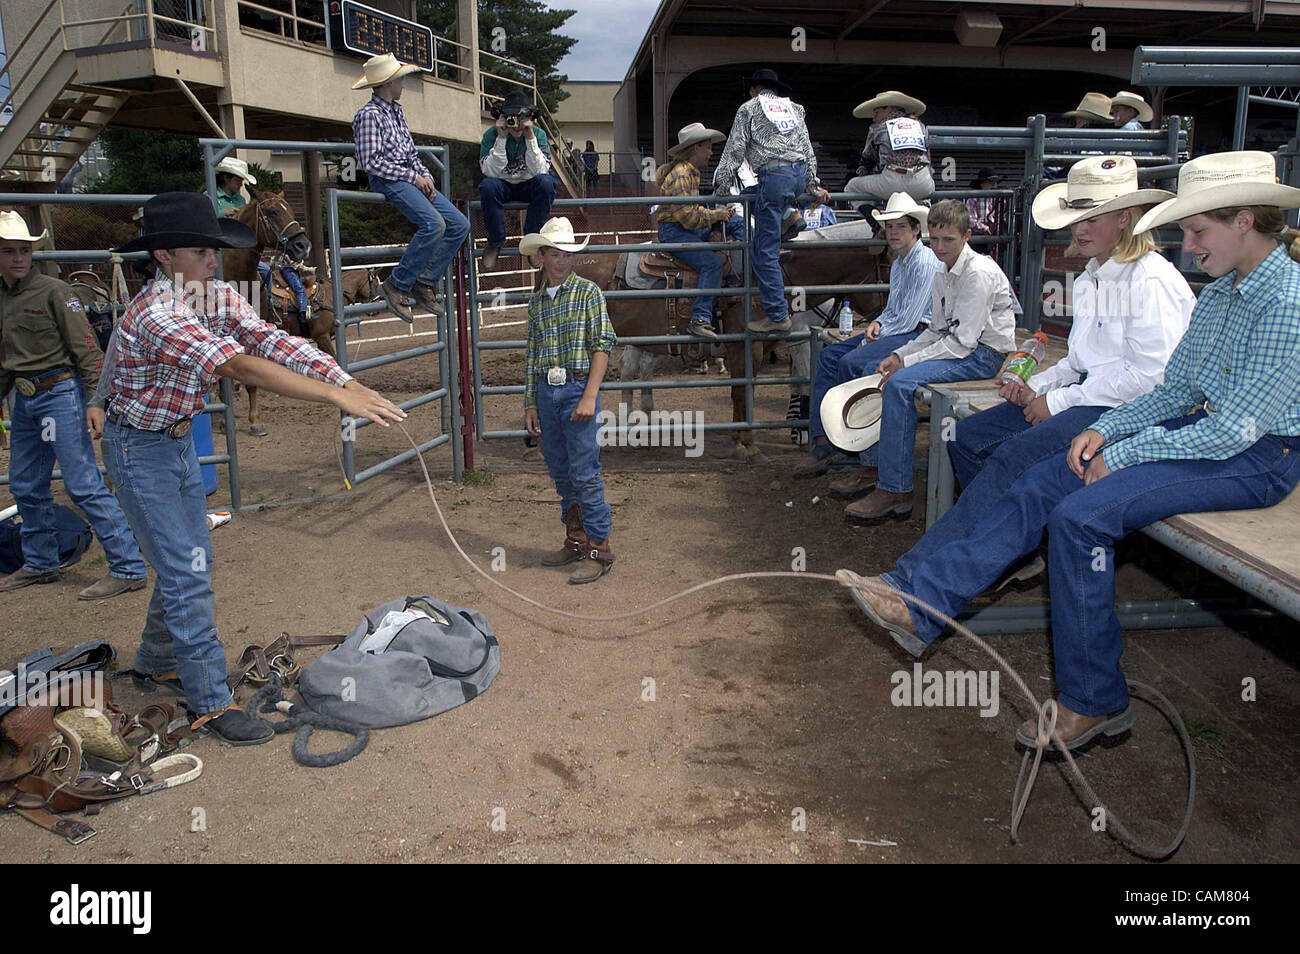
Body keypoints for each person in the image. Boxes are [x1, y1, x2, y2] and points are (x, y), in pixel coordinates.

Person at [851, 151, 1300, 750]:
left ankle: (1093, 699)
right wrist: (1110, 431)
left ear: (1244, 220)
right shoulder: (1222, 295)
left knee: (1076, 515)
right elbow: (1178, 389)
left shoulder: (1285, 302)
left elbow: (1237, 429)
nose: (1187, 243)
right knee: (1042, 485)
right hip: (1205, 432)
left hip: (1259, 455)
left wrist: (1129, 445)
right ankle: (923, 601)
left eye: (1196, 230)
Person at [103, 192, 405, 744]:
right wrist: (334, 397)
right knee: (186, 571)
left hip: (168, 445)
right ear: (166, 256)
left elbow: (267, 339)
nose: (214, 262)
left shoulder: (207, 294)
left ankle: (153, 659)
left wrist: (343, 379)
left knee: (187, 558)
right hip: (140, 450)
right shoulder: (158, 313)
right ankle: (210, 704)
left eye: (214, 251)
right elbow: (242, 365)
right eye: (201, 252)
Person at [883, 155, 1193, 590]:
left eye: (1094, 217)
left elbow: (1151, 379)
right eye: (1076, 218)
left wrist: (1058, 400)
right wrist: (1037, 384)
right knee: (969, 437)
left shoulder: (1149, 281)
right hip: (1094, 397)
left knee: (1013, 458)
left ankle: (917, 579)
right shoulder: (1092, 277)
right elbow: (1081, 362)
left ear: (1125, 218)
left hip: (1131, 412)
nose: (1080, 229)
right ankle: (1015, 547)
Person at [837, 199, 1017, 521]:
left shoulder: (976, 273)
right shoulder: (943, 272)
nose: (939, 246)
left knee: (900, 385)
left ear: (967, 236)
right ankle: (883, 474)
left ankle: (895, 487)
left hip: (983, 354)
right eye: (934, 239)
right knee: (893, 376)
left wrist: (907, 363)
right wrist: (898, 354)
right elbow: (936, 330)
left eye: (949, 239)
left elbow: (962, 343)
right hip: (963, 346)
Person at [0, 211, 148, 599]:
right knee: (26, 484)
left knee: (82, 482)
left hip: (59, 392)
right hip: (27, 396)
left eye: (23, 250)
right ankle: (41, 561)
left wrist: (95, 400)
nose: (18, 258)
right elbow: (6, 356)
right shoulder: (5, 298)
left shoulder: (54, 291)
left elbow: (86, 348)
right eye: (9, 251)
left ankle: (128, 566)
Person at [794, 193, 940, 478]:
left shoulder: (923, 263)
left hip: (917, 333)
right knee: (828, 357)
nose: (893, 233)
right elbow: (895, 309)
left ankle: (860, 450)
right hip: (900, 329)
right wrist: (878, 323)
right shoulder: (900, 263)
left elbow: (910, 319)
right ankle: (825, 439)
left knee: (853, 362)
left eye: (900, 227)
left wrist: (873, 334)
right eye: (890, 227)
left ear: (915, 230)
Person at [521, 217, 619, 585]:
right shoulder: (537, 303)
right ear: (542, 256)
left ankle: (599, 546)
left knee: (584, 471)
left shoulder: (588, 294)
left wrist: (591, 394)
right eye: (555, 254)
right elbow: (532, 355)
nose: (562, 261)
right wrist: (531, 403)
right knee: (562, 472)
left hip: (577, 389)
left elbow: (602, 344)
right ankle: (576, 539)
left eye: (568, 254)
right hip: (548, 392)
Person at [352, 52, 468, 323]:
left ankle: (424, 280)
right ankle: (397, 283)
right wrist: (413, 177)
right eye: (400, 80)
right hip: (391, 179)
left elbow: (411, 154)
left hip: (409, 178)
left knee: (459, 225)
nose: (403, 84)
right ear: (388, 84)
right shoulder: (368, 116)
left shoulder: (396, 112)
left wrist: (424, 175)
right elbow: (370, 162)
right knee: (434, 224)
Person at [713, 68, 830, 334]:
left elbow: (735, 149)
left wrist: (721, 186)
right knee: (762, 197)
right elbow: (808, 149)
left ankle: (777, 314)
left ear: (755, 89)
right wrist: (813, 185)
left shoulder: (749, 108)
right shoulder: (795, 109)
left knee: (762, 251)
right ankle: (788, 212)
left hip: (774, 175)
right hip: (797, 175)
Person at [655, 123, 733, 339]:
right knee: (712, 264)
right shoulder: (682, 175)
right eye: (707, 148)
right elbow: (688, 218)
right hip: (675, 232)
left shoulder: (689, 172)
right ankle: (700, 318)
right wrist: (716, 216)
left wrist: (716, 219)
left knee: (732, 226)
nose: (710, 153)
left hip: (679, 229)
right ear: (696, 147)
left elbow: (691, 212)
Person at [479, 90, 557, 271]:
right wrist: (501, 138)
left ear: (530, 118)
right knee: (487, 187)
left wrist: (530, 137)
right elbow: (489, 172)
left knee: (547, 183)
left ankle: (532, 239)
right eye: (511, 118)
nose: (516, 125)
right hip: (502, 184)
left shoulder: (538, 134)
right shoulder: (491, 135)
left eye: (521, 118)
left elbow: (540, 170)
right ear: (503, 117)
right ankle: (496, 241)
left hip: (529, 183)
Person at [846, 90, 935, 214]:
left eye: (876, 111)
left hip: (892, 179)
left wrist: (863, 173)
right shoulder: (919, 125)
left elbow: (868, 159)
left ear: (888, 108)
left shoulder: (878, 127)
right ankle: (924, 221)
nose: (874, 116)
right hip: (923, 182)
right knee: (921, 200)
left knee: (852, 186)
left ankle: (876, 224)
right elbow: (928, 158)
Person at [965, 167, 1001, 236]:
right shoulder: (973, 198)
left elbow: (1001, 216)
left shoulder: (998, 199)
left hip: (995, 232)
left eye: (995, 183)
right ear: (982, 183)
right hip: (977, 233)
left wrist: (996, 227)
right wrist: (984, 228)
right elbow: (970, 219)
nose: (994, 186)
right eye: (991, 182)